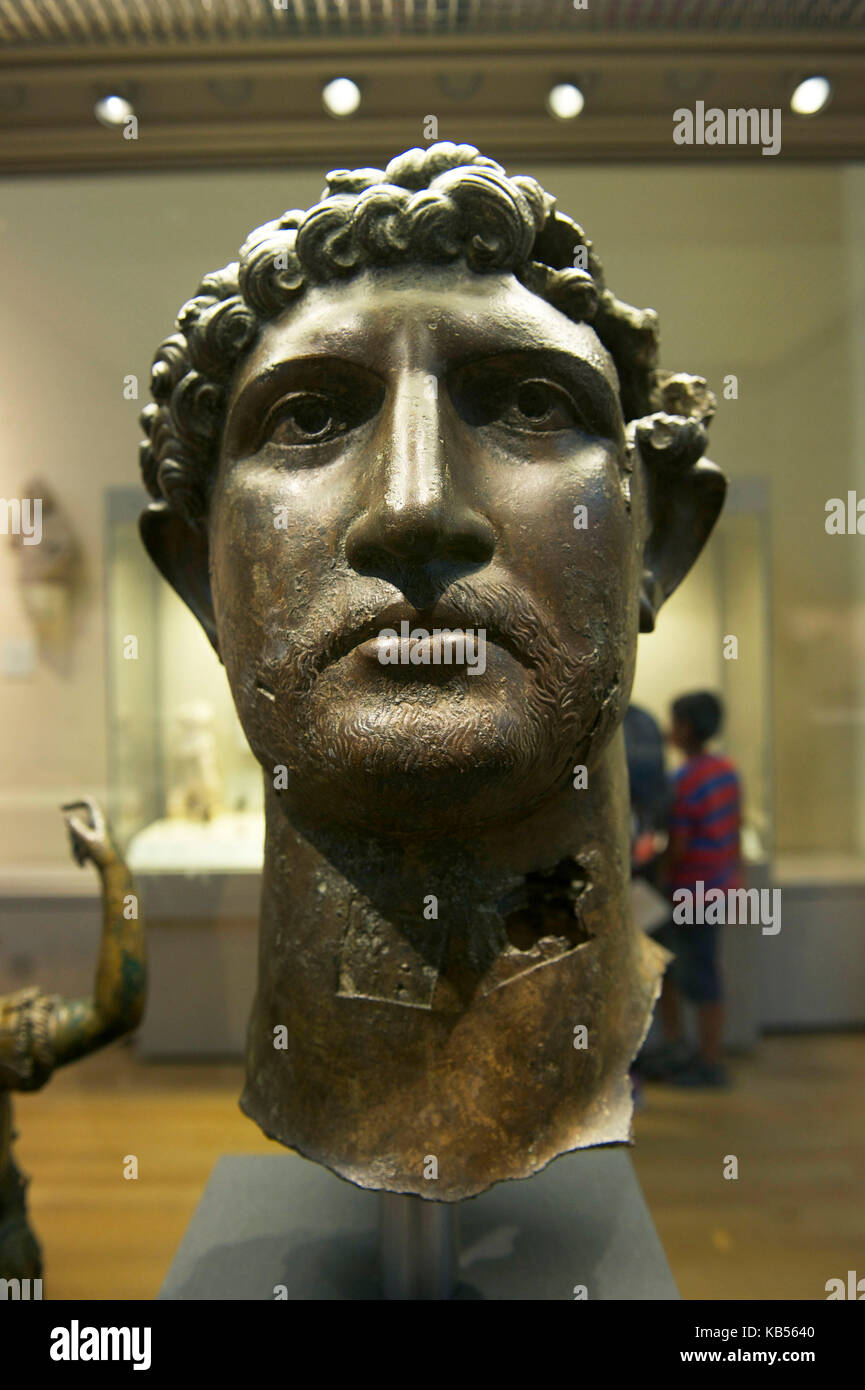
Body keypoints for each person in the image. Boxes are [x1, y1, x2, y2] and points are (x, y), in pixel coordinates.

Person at [651, 691, 742, 1087]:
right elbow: (732, 828)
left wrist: (661, 876)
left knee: (694, 974)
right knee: (694, 969)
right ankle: (695, 1052)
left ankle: (706, 1060)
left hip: (691, 891)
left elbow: (679, 845)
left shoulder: (685, 780)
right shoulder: (725, 770)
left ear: (684, 729)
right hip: (717, 886)